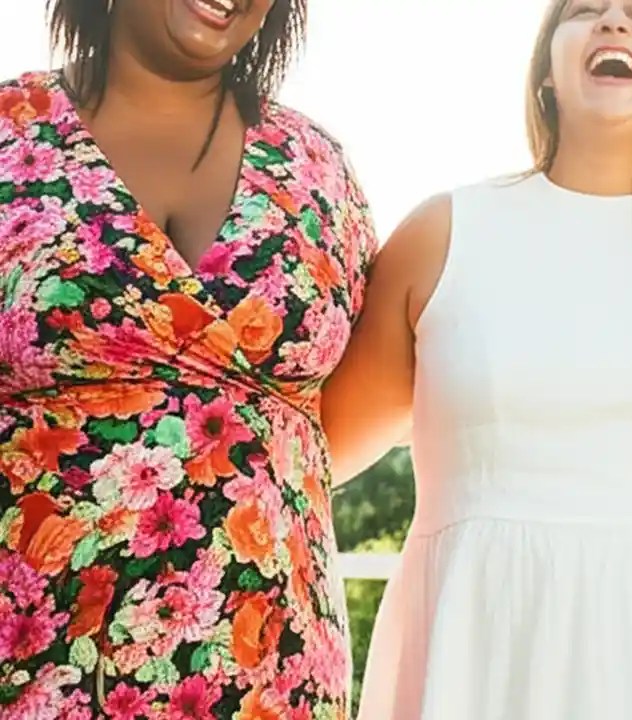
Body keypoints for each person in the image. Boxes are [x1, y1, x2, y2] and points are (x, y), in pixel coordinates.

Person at [320, 0, 632, 717]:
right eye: (585, 9)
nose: (614, 22)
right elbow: (314, 453)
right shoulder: (445, 234)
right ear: (546, 70)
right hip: (488, 633)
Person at [0, 0, 377, 716]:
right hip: (34, 674)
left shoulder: (319, 171)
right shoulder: (9, 139)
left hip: (275, 681)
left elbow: (345, 421)